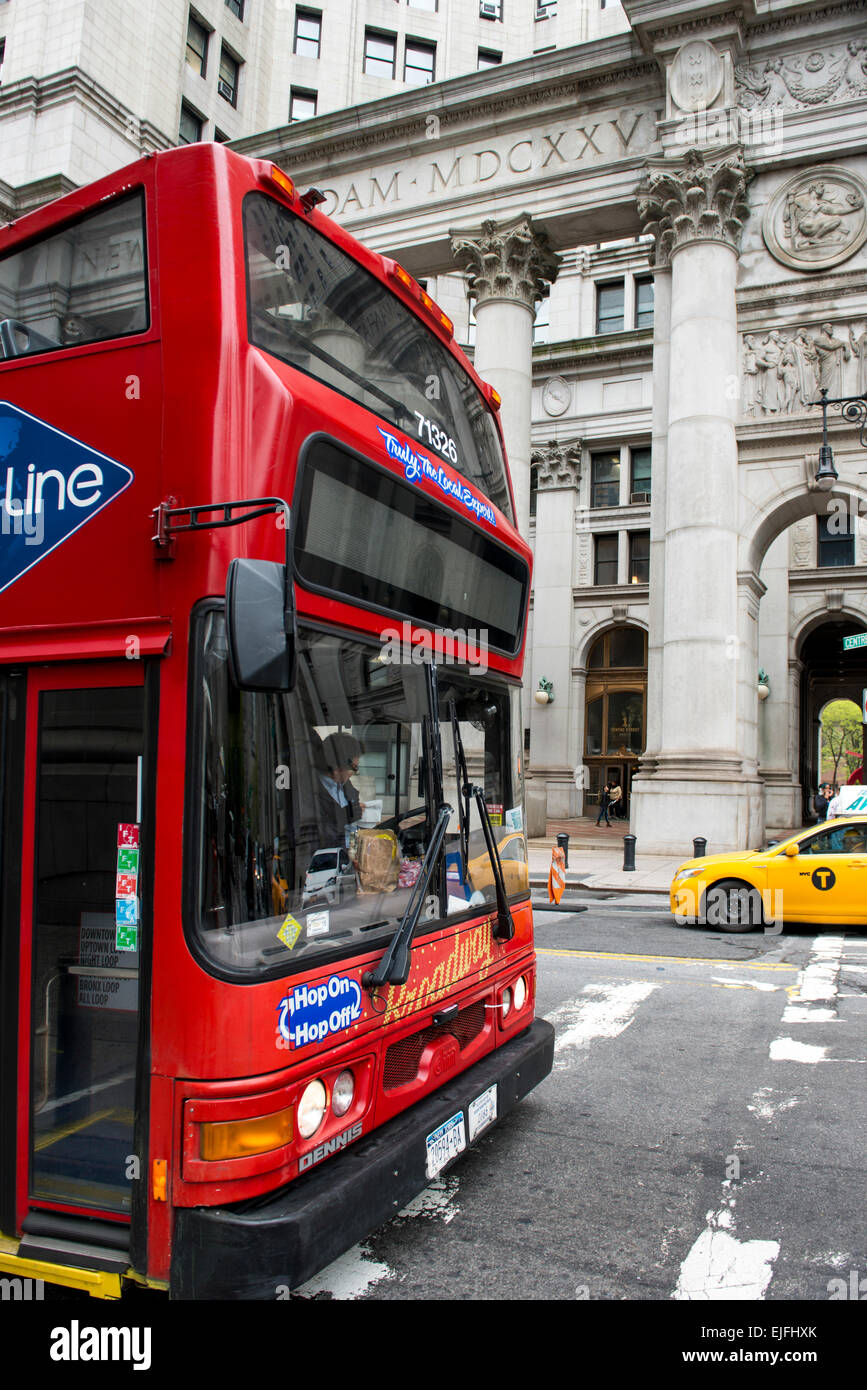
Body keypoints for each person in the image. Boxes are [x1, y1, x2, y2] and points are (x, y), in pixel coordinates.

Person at [316, 732, 364, 848]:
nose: (354, 773)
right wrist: (346, 815)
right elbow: (318, 834)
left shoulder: (345, 785)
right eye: (354, 768)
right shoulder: (312, 791)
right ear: (337, 767)